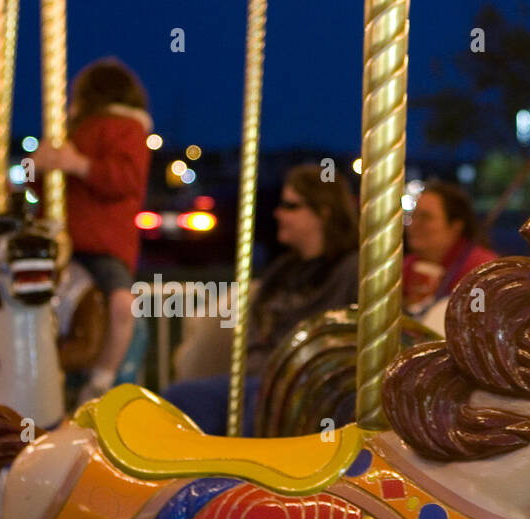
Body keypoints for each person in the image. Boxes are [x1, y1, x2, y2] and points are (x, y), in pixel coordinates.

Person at [163, 165, 359, 435]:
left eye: (290, 206)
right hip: (258, 379)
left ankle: (249, 475)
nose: (279, 213)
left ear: (323, 212)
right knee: (179, 398)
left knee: (259, 403)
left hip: (307, 387)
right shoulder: (284, 270)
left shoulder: (350, 269)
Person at [32, 58, 152, 402]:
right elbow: (38, 193)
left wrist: (79, 164)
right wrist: (36, 168)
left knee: (121, 303)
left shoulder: (128, 130)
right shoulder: (74, 132)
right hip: (62, 242)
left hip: (102, 246)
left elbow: (125, 181)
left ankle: (102, 376)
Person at [402, 181, 495, 311]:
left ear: (455, 227)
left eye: (425, 217)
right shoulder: (406, 267)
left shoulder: (481, 270)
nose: (413, 225)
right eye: (413, 216)